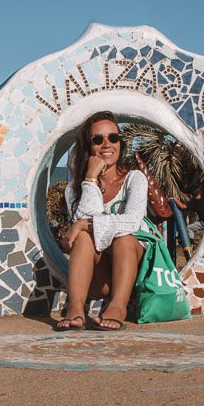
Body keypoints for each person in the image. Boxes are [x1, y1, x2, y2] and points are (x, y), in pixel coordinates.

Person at [55, 111, 148, 331]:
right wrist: (90, 179)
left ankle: (118, 307)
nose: (107, 144)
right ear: (89, 147)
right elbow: (82, 228)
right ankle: (76, 309)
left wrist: (84, 225)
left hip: (133, 272)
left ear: (120, 143)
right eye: (98, 139)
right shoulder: (74, 190)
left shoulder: (135, 179)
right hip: (101, 278)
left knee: (123, 238)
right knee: (84, 239)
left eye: (113, 138)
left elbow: (133, 222)